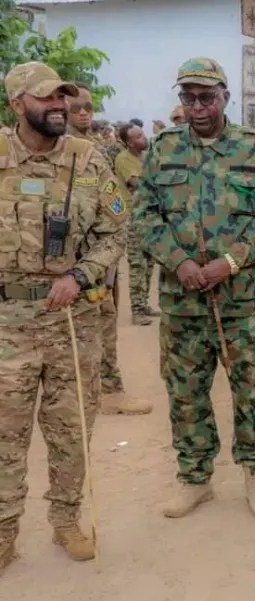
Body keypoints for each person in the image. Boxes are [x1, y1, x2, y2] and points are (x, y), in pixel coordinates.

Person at [135, 57, 255, 520]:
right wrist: (178, 261)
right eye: (188, 97)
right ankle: (195, 477)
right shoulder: (162, 150)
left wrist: (231, 261)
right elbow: (144, 216)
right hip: (183, 302)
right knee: (185, 391)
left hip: (242, 302)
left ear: (225, 97)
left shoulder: (254, 149)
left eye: (206, 97)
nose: (197, 107)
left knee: (253, 388)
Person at [0, 62, 127, 573]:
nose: (59, 106)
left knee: (71, 429)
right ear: (17, 105)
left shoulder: (89, 159)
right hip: (6, 323)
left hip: (71, 321)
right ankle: (4, 531)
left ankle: (68, 521)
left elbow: (116, 231)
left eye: (63, 98)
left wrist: (80, 275)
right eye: (47, 98)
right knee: (5, 435)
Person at [66, 84, 153, 416]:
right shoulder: (58, 151)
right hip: (68, 261)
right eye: (76, 108)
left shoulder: (96, 150)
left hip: (99, 257)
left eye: (88, 106)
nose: (84, 112)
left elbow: (112, 204)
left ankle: (109, 389)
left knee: (105, 318)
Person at [114, 123, 158, 326]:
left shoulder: (145, 157)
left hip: (149, 217)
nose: (144, 138)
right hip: (134, 218)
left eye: (142, 134)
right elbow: (136, 184)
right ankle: (137, 310)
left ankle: (144, 303)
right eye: (138, 137)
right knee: (138, 265)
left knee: (148, 264)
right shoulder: (124, 159)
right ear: (129, 143)